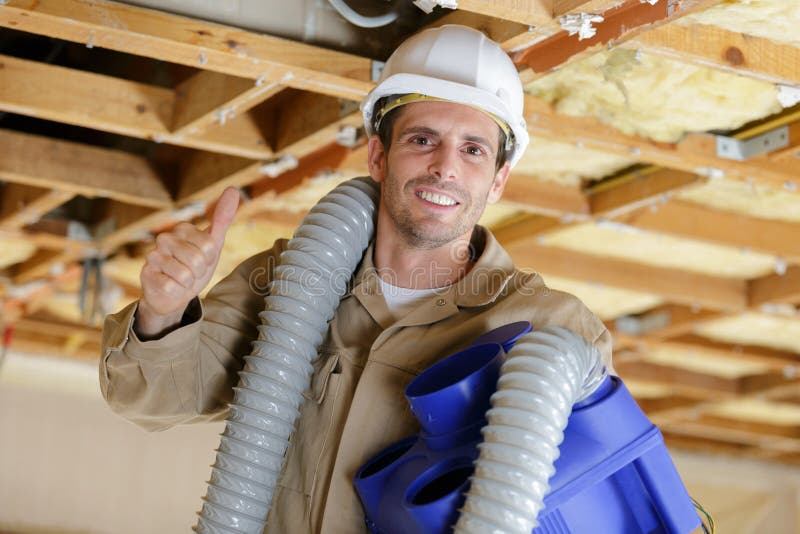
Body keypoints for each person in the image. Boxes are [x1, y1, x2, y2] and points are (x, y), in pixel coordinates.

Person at [100, 25, 612, 534]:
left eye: (473, 149)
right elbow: (151, 399)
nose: (444, 168)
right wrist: (164, 311)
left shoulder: (548, 326)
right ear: (378, 157)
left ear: (498, 179)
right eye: (422, 139)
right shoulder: (289, 277)